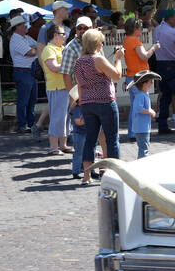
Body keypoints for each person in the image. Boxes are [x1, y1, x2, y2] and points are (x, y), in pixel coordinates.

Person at [72, 28, 123, 184]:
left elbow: (80, 85)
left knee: (90, 139)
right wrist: (118, 59)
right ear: (96, 43)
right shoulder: (98, 59)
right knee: (112, 139)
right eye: (101, 42)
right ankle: (115, 174)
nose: (102, 44)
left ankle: (86, 176)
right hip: (105, 102)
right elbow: (117, 75)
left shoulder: (79, 62)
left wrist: (80, 105)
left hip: (87, 103)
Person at [152, 9, 175, 135]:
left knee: (165, 96)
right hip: (174, 64)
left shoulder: (157, 30)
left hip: (161, 64)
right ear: (169, 19)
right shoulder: (174, 33)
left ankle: (162, 125)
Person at [40, 23, 71, 155]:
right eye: (63, 34)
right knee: (57, 117)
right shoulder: (49, 49)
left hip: (66, 87)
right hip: (57, 88)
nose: (65, 36)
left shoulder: (62, 48)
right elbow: (53, 67)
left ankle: (63, 145)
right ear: (55, 35)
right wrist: (70, 65)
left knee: (66, 117)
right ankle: (53, 147)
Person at [8, 14, 41, 133]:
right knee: (24, 100)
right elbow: (31, 52)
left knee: (31, 100)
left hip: (28, 71)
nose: (26, 26)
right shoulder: (16, 39)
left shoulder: (24, 38)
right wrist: (36, 49)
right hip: (23, 71)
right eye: (23, 24)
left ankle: (29, 123)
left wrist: (35, 49)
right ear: (18, 27)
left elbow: (36, 47)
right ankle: (23, 124)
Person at [126, 69, 159, 157]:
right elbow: (138, 108)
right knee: (144, 148)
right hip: (141, 128)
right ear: (144, 84)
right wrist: (150, 111)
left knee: (144, 147)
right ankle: (142, 164)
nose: (152, 84)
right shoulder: (140, 95)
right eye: (150, 82)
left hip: (143, 127)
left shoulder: (144, 94)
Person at [122, 17, 158, 90]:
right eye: (141, 27)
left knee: (135, 100)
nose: (142, 29)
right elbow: (144, 56)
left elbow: (141, 55)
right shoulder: (135, 40)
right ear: (135, 29)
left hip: (131, 77)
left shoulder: (126, 40)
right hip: (139, 78)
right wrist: (154, 47)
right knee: (142, 100)